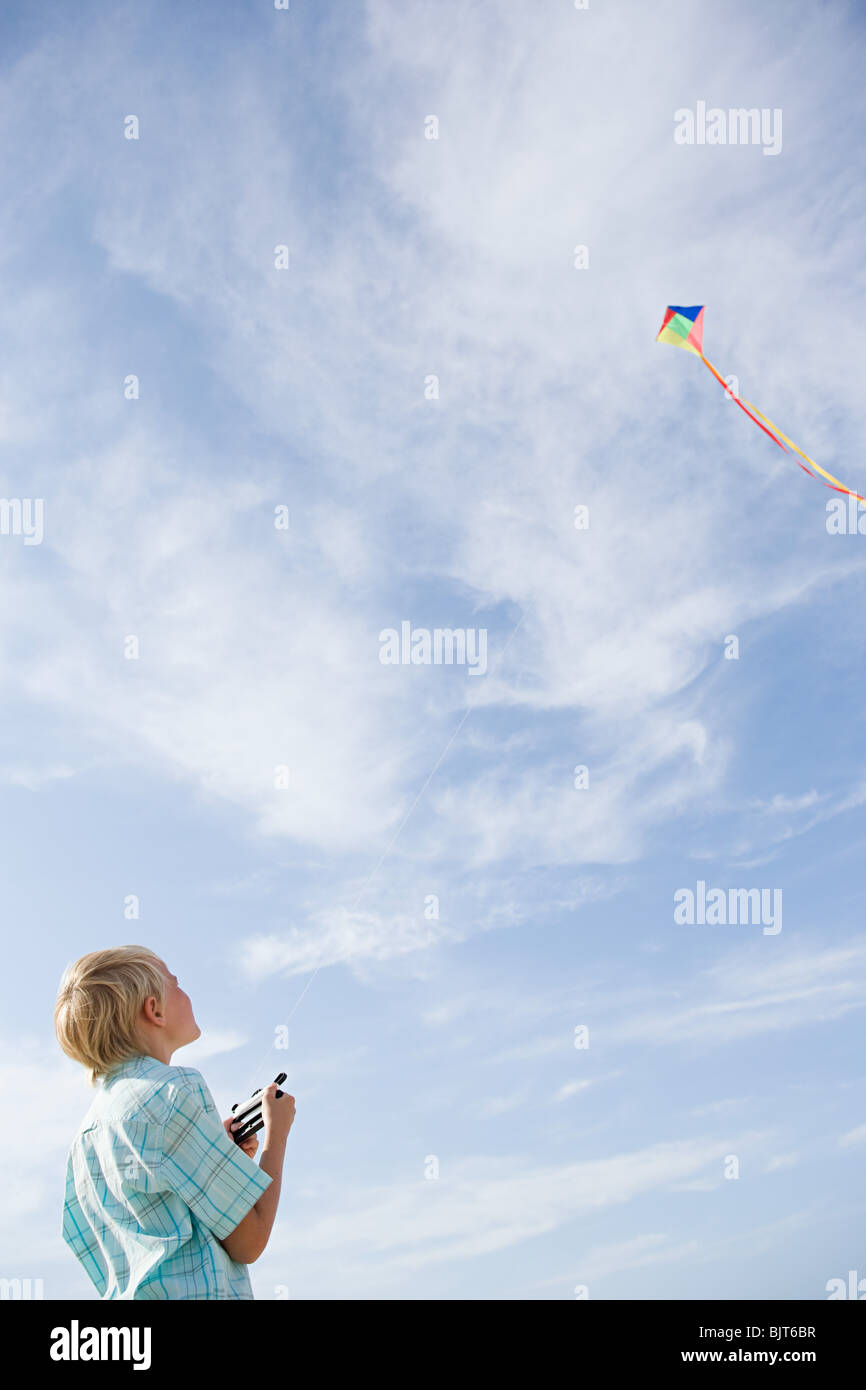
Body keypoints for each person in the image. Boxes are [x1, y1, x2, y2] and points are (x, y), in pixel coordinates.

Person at [54, 945, 296, 1299]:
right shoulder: (176, 1090)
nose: (185, 991)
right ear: (154, 1010)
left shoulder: (83, 1142)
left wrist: (223, 1163)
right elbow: (250, 1241)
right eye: (175, 983)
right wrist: (278, 1132)